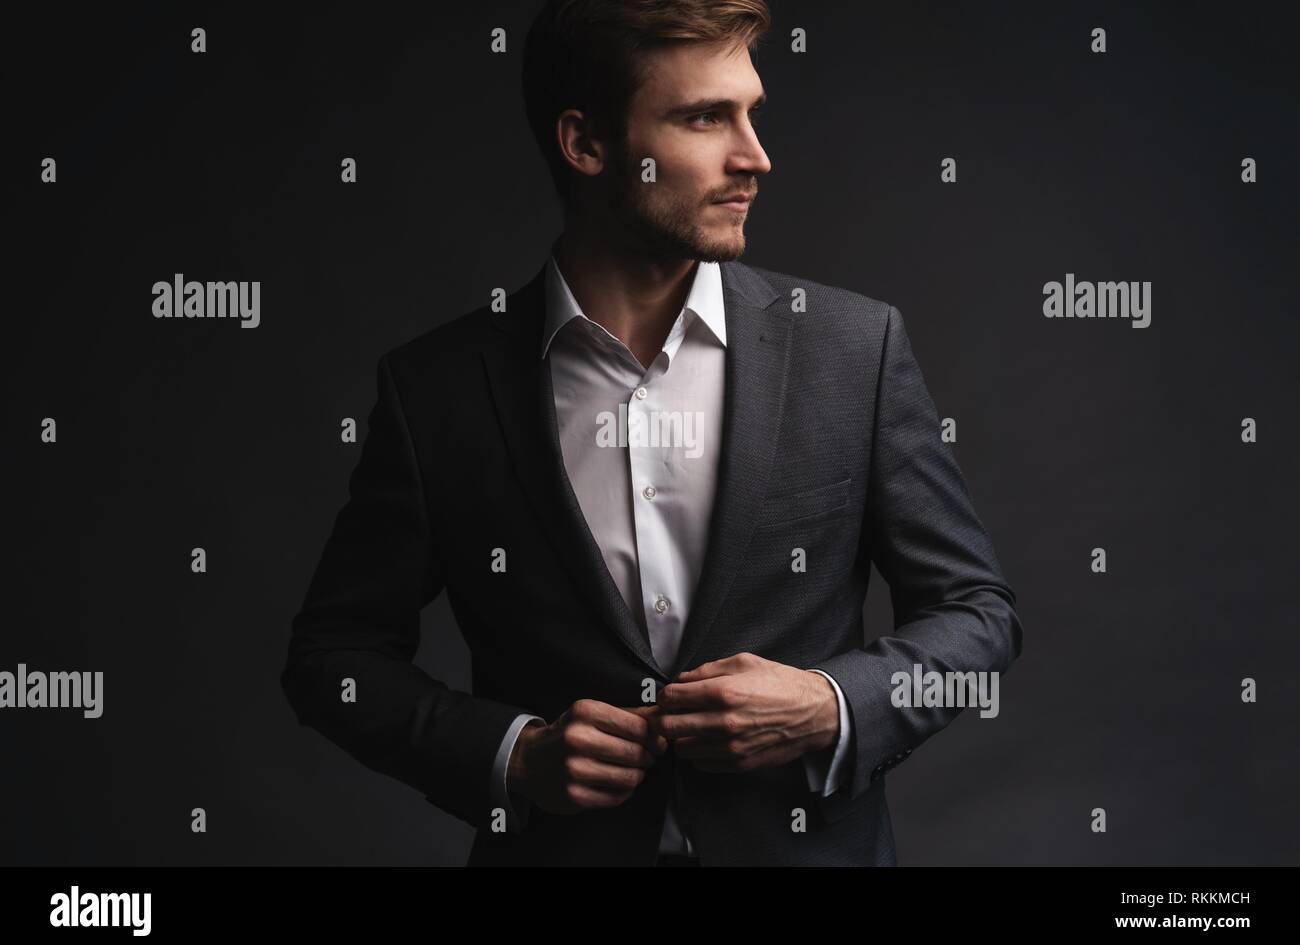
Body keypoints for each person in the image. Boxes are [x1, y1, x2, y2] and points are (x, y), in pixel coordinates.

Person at [280, 0, 1022, 866]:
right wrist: (512, 755)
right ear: (586, 145)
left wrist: (832, 702)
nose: (755, 157)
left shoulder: (853, 350)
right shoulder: (437, 390)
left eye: (751, 113)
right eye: (706, 118)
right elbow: (334, 658)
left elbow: (979, 614)